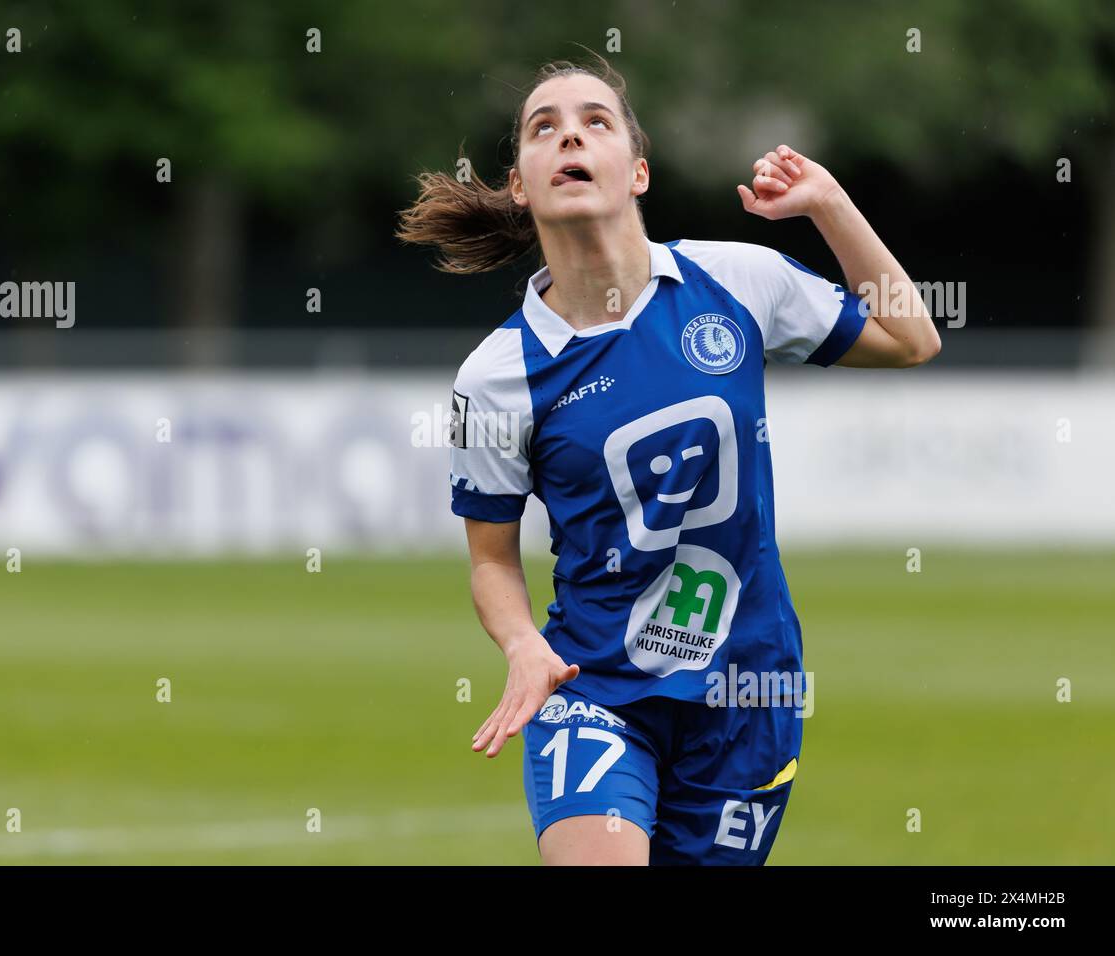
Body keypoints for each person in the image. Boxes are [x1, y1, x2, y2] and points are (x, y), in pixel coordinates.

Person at [395, 53, 940, 865]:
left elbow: (911, 337)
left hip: (750, 688)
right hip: (593, 685)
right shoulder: (496, 377)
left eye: (595, 121)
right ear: (521, 183)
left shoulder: (736, 280)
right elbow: (491, 562)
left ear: (637, 171)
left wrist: (828, 203)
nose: (569, 135)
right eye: (543, 128)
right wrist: (521, 646)